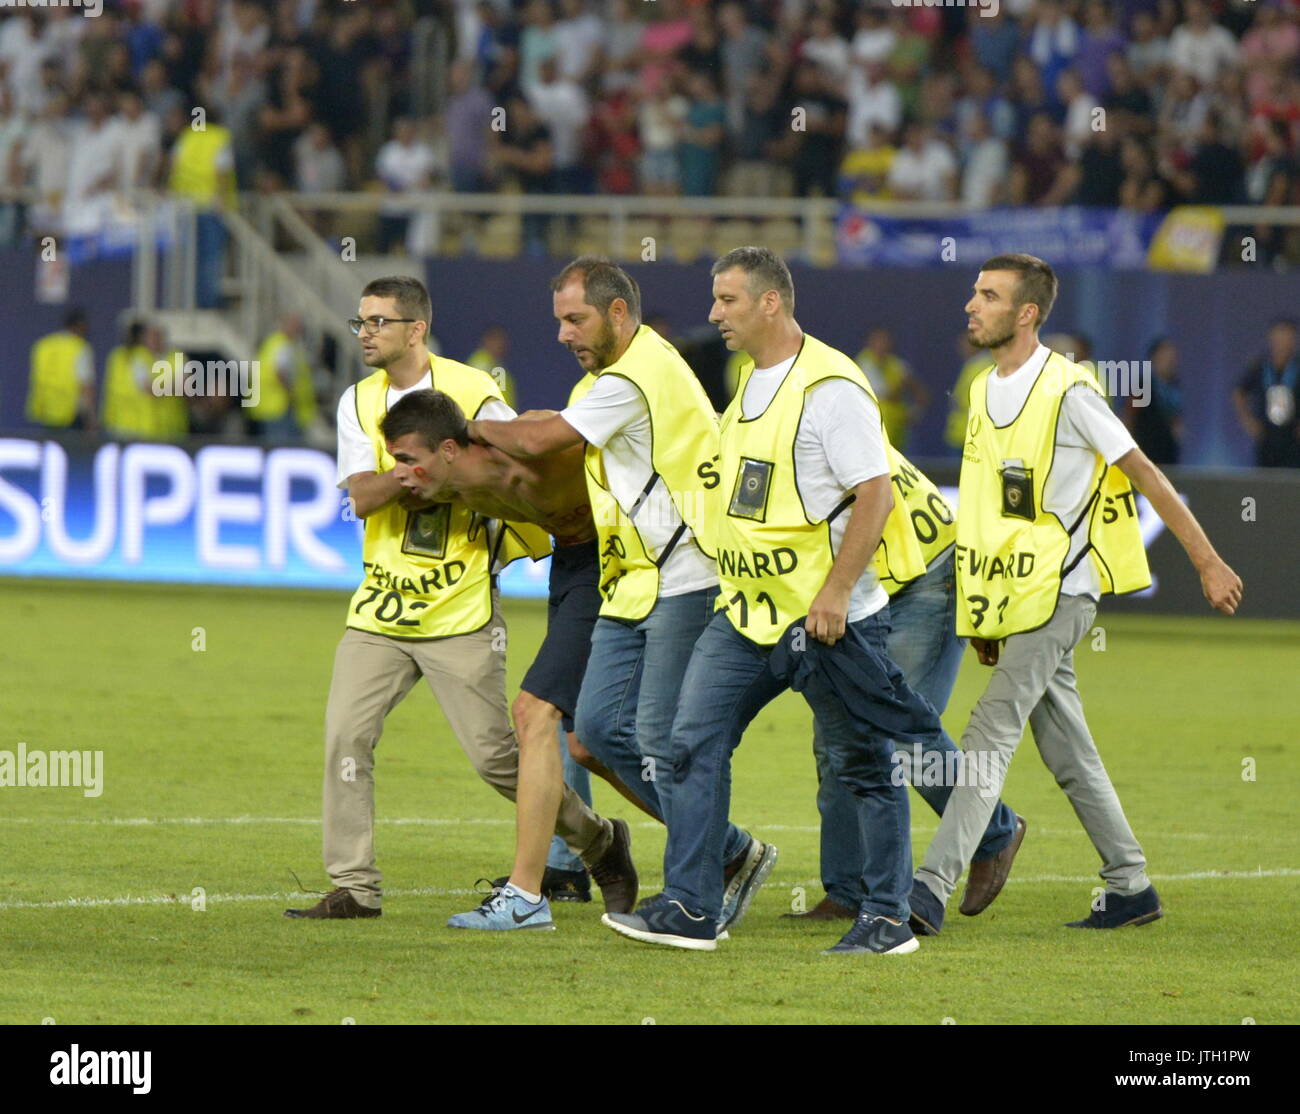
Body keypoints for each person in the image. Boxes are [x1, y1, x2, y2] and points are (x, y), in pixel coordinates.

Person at [604, 246, 951, 955]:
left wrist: (833, 592)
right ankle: (692, 908)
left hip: (829, 623)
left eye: (727, 300)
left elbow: (876, 494)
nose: (713, 313)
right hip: (746, 617)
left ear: (770, 303)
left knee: (862, 761)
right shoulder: (747, 380)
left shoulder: (832, 387)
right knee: (691, 744)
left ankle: (886, 917)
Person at [909, 253, 1243, 937]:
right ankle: (1130, 885)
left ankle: (924, 891)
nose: (971, 305)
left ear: (1027, 314)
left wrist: (1208, 561)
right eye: (975, 292)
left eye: (989, 295)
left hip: (1063, 591)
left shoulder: (1072, 392)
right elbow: (984, 512)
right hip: (1012, 596)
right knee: (1067, 748)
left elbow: (1144, 472)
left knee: (987, 732)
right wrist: (982, 608)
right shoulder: (979, 390)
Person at [284, 276, 635, 922]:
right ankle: (354, 885)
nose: (364, 333)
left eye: (379, 322)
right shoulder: (356, 401)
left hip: (460, 608)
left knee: (498, 760)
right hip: (381, 607)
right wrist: (415, 474)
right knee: (345, 738)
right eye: (361, 321)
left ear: (416, 329)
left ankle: (598, 840)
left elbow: (514, 467)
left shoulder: (474, 390)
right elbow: (359, 496)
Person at [468, 257, 777, 934]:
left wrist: (471, 427)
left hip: (686, 576)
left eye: (573, 318)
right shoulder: (614, 378)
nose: (561, 335)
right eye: (557, 321)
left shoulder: (636, 375)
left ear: (615, 314)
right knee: (595, 735)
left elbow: (542, 438)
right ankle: (729, 849)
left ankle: (697, 890)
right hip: (632, 579)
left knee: (667, 742)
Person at [377, 387, 648, 930]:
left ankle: (527, 895)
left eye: (408, 460)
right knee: (588, 744)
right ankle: (724, 850)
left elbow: (632, 457)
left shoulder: (532, 445)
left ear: (451, 448)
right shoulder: (451, 487)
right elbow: (364, 497)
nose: (401, 474)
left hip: (621, 560)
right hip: (572, 568)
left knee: (533, 714)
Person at [789, 448, 1024, 923]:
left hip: (927, 575)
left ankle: (994, 831)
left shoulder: (806, 414)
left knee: (896, 733)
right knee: (836, 734)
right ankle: (847, 890)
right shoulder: (775, 416)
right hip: (869, 585)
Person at [1233, 318, 1300, 469]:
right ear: (1272, 338)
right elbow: (1239, 392)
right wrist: (1248, 421)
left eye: (1287, 337)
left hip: (1293, 437)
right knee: (1265, 484)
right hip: (1267, 435)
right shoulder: (1260, 366)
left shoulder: (1297, 366)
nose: (1283, 342)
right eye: (1279, 337)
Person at [855, 325, 930, 452]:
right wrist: (899, 385)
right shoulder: (863, 364)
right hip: (871, 433)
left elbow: (921, 392)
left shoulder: (897, 365)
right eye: (878, 341)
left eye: (884, 341)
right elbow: (886, 393)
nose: (881, 345)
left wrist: (915, 412)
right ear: (870, 342)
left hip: (897, 431)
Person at [249, 313, 318, 442]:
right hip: (281, 408)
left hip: (271, 408)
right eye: (296, 326)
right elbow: (280, 373)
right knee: (285, 448)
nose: (299, 330)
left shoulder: (274, 343)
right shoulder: (283, 346)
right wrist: (292, 394)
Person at [27, 308, 95, 431]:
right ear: (80, 326)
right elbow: (85, 386)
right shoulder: (80, 348)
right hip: (72, 414)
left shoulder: (45, 345)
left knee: (51, 448)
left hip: (47, 410)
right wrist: (91, 419)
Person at [1124, 337, 1183, 466]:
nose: (1170, 361)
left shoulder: (1174, 387)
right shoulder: (1143, 384)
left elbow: (1174, 416)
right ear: (1155, 357)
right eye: (1166, 356)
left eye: (1173, 357)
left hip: (1168, 454)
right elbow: (1130, 417)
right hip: (1147, 452)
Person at [101, 320, 155, 439]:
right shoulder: (142, 356)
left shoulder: (116, 355)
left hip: (115, 420)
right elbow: (147, 388)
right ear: (141, 336)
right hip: (137, 424)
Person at [465, 324, 517, 408]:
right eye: (495, 340)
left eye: (502, 340)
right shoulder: (480, 363)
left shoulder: (496, 364)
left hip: (503, 417)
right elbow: (476, 393)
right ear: (486, 340)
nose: (500, 344)